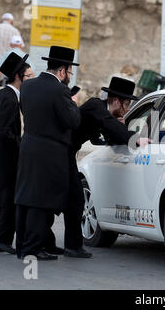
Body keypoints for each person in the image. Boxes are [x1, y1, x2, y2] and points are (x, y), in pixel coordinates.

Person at [60, 77, 150, 258]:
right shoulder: (96, 106)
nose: (127, 110)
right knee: (69, 198)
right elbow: (108, 125)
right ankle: (66, 245)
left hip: (67, 153)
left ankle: (72, 246)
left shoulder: (106, 114)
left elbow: (109, 135)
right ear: (116, 101)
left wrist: (121, 127)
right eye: (126, 105)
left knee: (73, 199)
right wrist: (135, 137)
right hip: (58, 153)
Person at [14, 46, 81, 261]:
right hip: (49, 152)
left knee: (26, 197)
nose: (69, 77)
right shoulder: (60, 91)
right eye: (69, 72)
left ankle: (24, 245)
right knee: (41, 201)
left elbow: (28, 111)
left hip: (28, 145)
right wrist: (73, 105)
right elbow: (72, 121)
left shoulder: (28, 86)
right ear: (62, 70)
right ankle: (33, 249)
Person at [0, 52, 32, 253]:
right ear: (18, 77)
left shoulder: (1, 94)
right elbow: (6, 132)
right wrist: (20, 147)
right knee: (7, 198)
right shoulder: (11, 99)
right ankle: (1, 240)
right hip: (5, 156)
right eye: (29, 76)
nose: (31, 80)